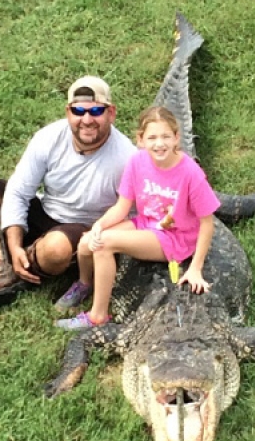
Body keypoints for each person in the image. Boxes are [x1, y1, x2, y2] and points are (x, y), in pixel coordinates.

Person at [0, 76, 137, 310]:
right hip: (46, 210)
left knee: (55, 248)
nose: (87, 119)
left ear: (111, 113)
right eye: (78, 110)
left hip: (83, 229)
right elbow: (19, 190)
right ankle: (2, 270)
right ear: (68, 112)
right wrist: (14, 243)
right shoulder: (49, 137)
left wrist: (96, 242)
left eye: (96, 111)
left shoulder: (127, 158)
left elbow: (131, 216)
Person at [55, 106, 221, 330]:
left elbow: (207, 222)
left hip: (175, 238)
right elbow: (122, 206)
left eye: (165, 136)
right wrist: (99, 225)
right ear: (141, 139)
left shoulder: (190, 173)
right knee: (87, 243)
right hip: (145, 224)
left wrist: (195, 268)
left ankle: (98, 316)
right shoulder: (137, 162)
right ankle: (85, 284)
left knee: (103, 245)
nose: (159, 143)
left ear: (176, 138)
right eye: (152, 137)